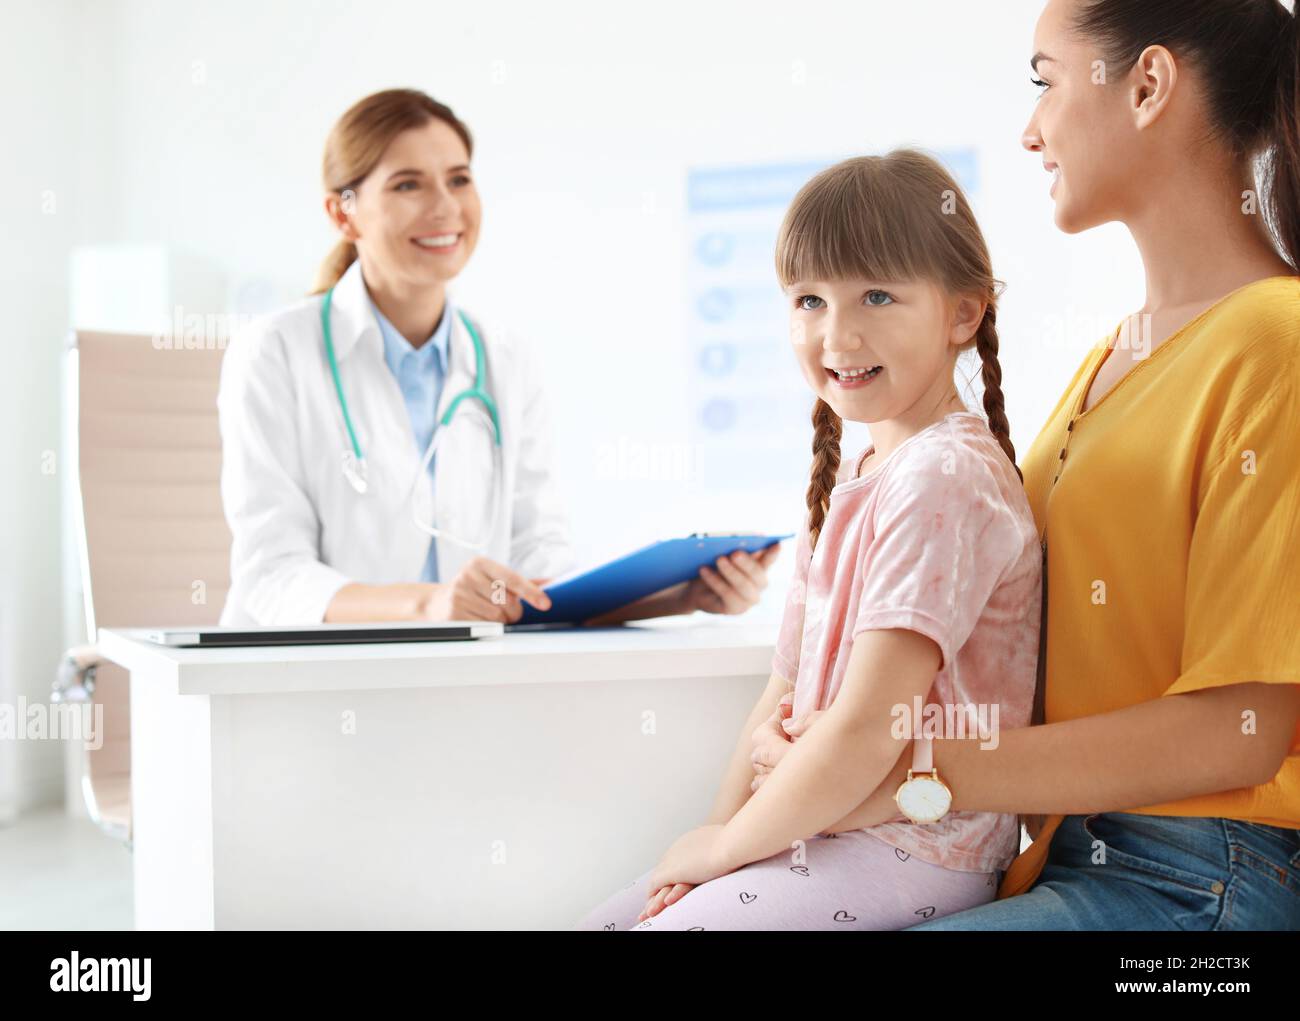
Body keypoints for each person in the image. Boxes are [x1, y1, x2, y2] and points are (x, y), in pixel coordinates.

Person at [894, 0, 1300, 929]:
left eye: (1047, 81)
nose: (1031, 129)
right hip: (1063, 860)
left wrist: (924, 768)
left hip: (1200, 880)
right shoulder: (1110, 357)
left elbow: (1239, 731)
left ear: (1148, 85)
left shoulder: (1279, 342)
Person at [575, 150, 1042, 929]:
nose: (838, 332)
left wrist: (726, 852)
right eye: (809, 299)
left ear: (964, 313)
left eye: (878, 295)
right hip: (814, 826)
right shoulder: (856, 470)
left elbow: (869, 725)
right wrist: (721, 836)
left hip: (917, 848)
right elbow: (782, 687)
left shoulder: (945, 476)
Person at [217, 88, 778, 627]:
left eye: (459, 179)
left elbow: (540, 575)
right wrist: (431, 606)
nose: (444, 207)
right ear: (343, 215)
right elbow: (272, 575)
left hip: (461, 687)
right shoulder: (275, 352)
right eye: (408, 185)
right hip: (298, 690)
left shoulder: (503, 359)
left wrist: (681, 597)